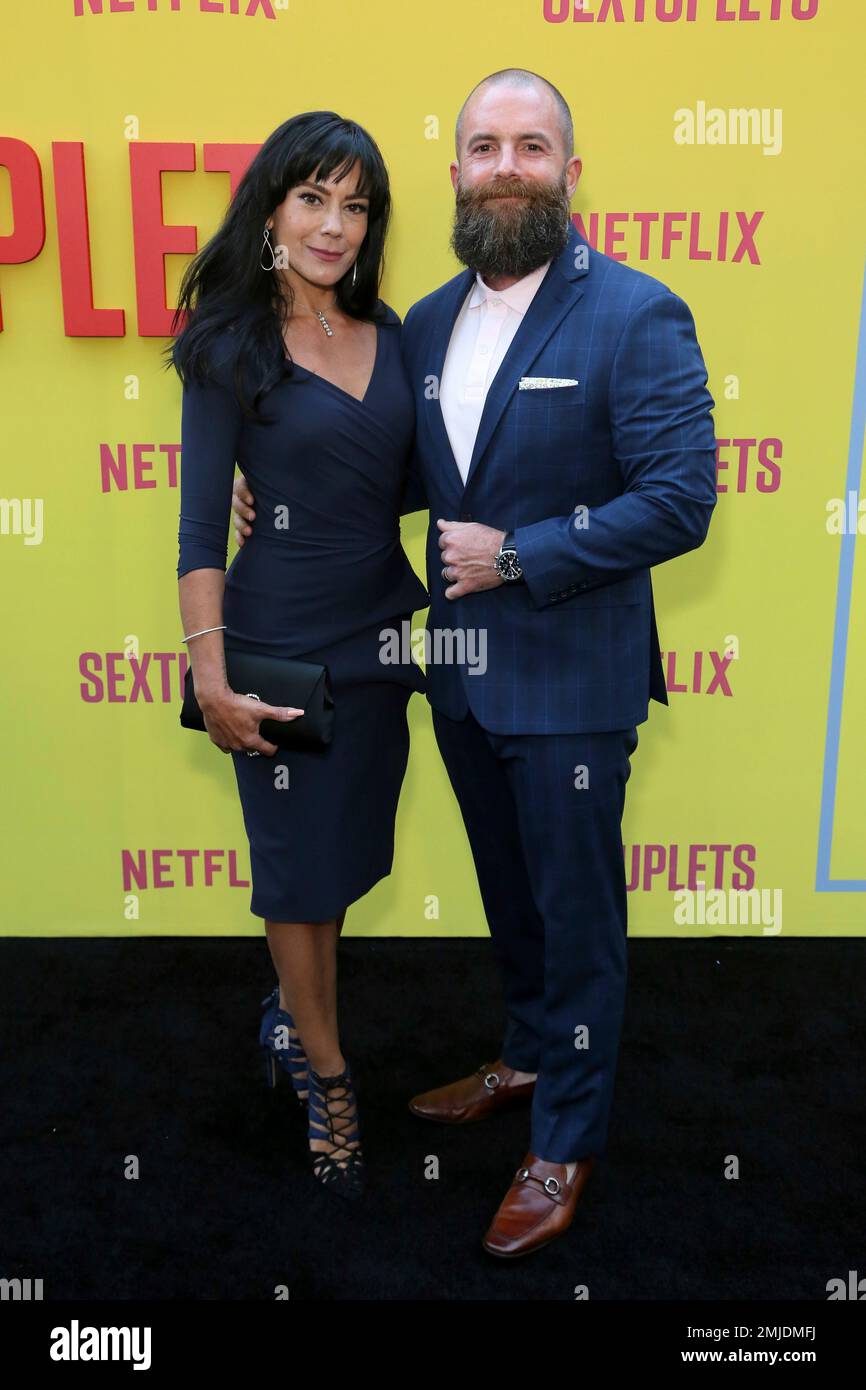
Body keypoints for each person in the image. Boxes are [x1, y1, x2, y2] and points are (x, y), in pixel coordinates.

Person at [232, 68, 718, 1256]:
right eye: (484, 146)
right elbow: (396, 469)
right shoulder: (429, 322)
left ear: (568, 171)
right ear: (453, 173)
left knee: (577, 915)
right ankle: (524, 1053)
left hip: (571, 680)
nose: (506, 165)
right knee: (511, 898)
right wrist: (273, 484)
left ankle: (563, 1138)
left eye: (531, 146)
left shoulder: (636, 313)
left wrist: (521, 554)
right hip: (457, 669)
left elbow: (681, 497)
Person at [169, 111, 430, 1201]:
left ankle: (289, 1011)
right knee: (293, 870)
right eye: (313, 198)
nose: (334, 224)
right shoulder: (229, 343)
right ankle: (328, 1077)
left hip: (376, 647)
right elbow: (193, 532)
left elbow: (407, 484)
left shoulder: (399, 333)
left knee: (339, 866)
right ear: (270, 209)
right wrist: (209, 674)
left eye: (355, 204)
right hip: (275, 652)